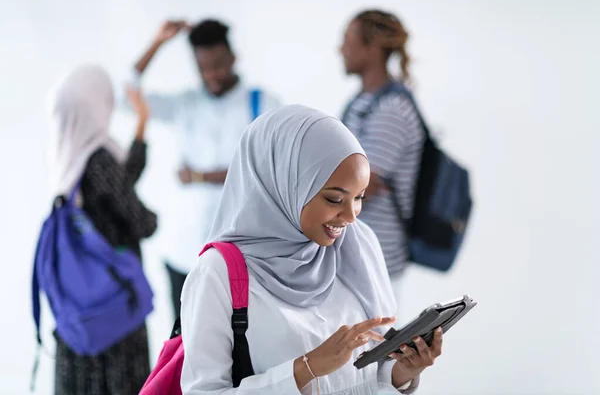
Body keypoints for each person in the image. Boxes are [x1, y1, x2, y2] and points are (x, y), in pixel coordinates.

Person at [180, 105, 443, 394]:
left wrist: (403, 371)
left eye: (359, 197)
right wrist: (307, 367)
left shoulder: (358, 246)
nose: (351, 216)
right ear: (284, 184)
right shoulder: (217, 273)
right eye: (334, 199)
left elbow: (372, 368)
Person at [124, 19, 281, 318]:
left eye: (219, 65)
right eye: (204, 68)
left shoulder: (263, 103)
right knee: (183, 347)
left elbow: (271, 170)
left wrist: (198, 176)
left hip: (242, 254)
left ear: (233, 57)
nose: (213, 75)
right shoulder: (185, 103)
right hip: (183, 252)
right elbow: (125, 96)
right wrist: (158, 42)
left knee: (240, 343)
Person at [46, 64, 157, 394]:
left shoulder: (64, 155)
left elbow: (117, 186)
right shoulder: (100, 160)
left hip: (82, 309)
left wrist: (141, 126)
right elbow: (142, 222)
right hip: (114, 305)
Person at [339, 10, 425, 288]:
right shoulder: (363, 101)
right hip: (357, 254)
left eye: (348, 39)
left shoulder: (391, 108)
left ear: (372, 46)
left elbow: (366, 182)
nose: (341, 48)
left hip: (376, 258)